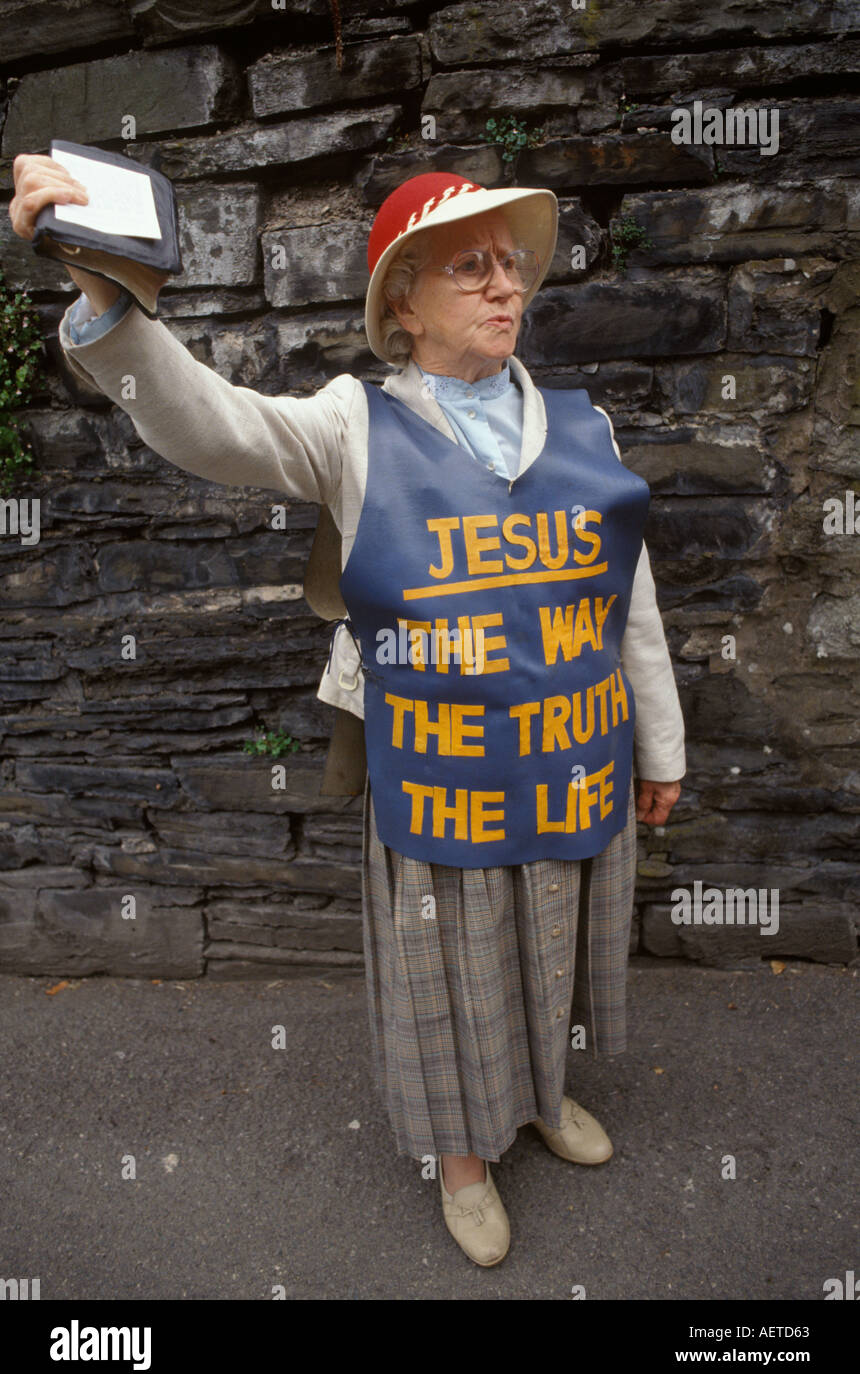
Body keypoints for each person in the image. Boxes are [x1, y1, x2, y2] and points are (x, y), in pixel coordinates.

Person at [9, 155, 685, 1268]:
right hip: (438, 776)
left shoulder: (585, 428)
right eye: (468, 267)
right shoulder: (350, 425)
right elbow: (214, 426)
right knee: (449, 959)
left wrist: (656, 743)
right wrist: (104, 301)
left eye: (510, 265)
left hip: (570, 760)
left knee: (549, 942)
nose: (503, 285)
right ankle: (460, 1160)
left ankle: (537, 1100)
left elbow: (630, 602)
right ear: (402, 304)